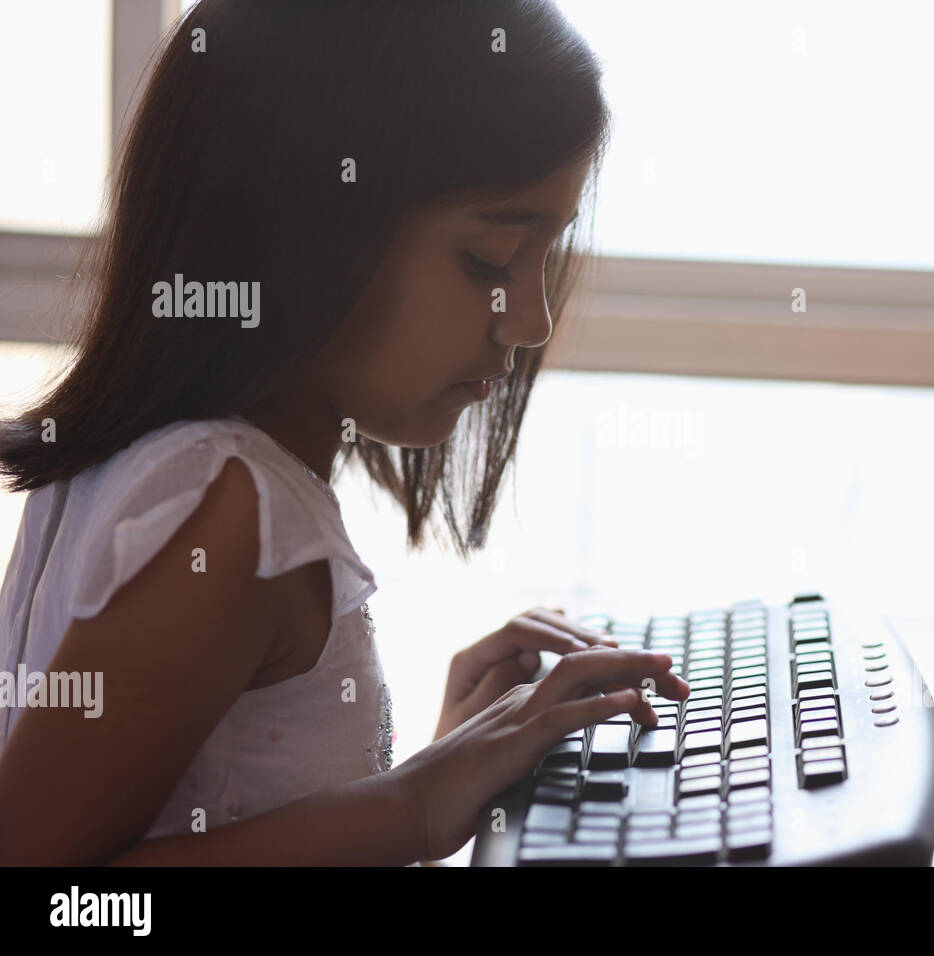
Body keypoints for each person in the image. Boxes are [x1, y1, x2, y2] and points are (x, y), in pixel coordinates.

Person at [0, 0, 687, 866]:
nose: (534, 321)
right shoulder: (223, 511)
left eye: (543, 264)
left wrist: (442, 760)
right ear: (307, 223)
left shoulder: (163, 471)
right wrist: (413, 804)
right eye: (488, 261)